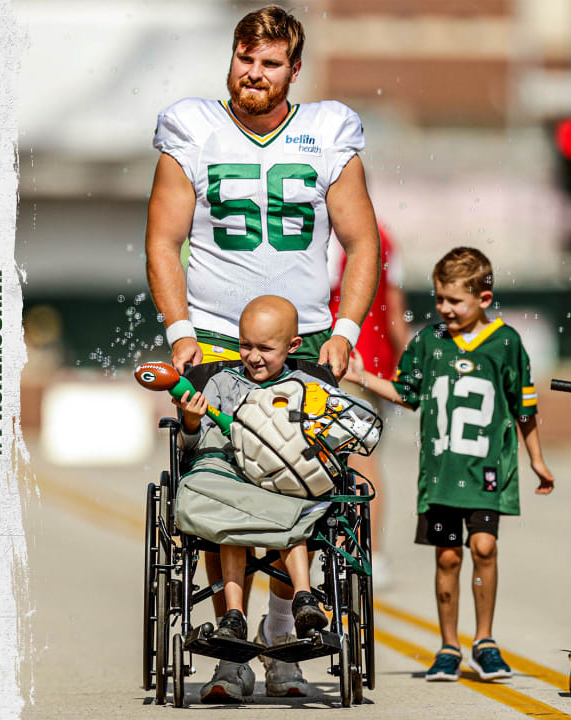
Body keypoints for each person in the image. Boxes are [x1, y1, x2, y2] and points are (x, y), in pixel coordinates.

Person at [144, 6, 380, 700]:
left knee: (296, 477)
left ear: (294, 70)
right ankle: (232, 654)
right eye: (245, 58)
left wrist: (346, 330)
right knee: (222, 479)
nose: (254, 73)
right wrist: (180, 331)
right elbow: (163, 240)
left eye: (270, 63)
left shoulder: (327, 130)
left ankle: (281, 638)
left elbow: (361, 241)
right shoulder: (193, 127)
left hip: (304, 340)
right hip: (217, 339)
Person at [356, 247, 557, 682]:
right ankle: (449, 645)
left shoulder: (506, 343)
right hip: (441, 474)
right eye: (439, 299)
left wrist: (537, 460)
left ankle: (484, 641)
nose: (445, 308)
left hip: (487, 471)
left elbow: (524, 407)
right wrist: (364, 377)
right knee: (447, 557)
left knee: (484, 547)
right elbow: (407, 394)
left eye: (455, 301)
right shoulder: (428, 342)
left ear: (484, 299)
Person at [172, 295, 375, 703]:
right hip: (232, 480)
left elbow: (334, 444)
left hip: (286, 484)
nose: (253, 356)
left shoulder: (309, 388)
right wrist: (191, 421)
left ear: (293, 346)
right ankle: (233, 620)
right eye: (245, 345)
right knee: (231, 517)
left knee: (300, 507)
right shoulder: (222, 384)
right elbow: (195, 449)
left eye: (265, 348)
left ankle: (301, 602)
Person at [329, 224, 411, 588]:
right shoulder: (381, 235)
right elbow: (393, 306)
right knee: (364, 460)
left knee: (353, 461)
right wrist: (405, 362)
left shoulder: (311, 227)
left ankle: (363, 552)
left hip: (337, 360)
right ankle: (369, 553)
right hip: (369, 361)